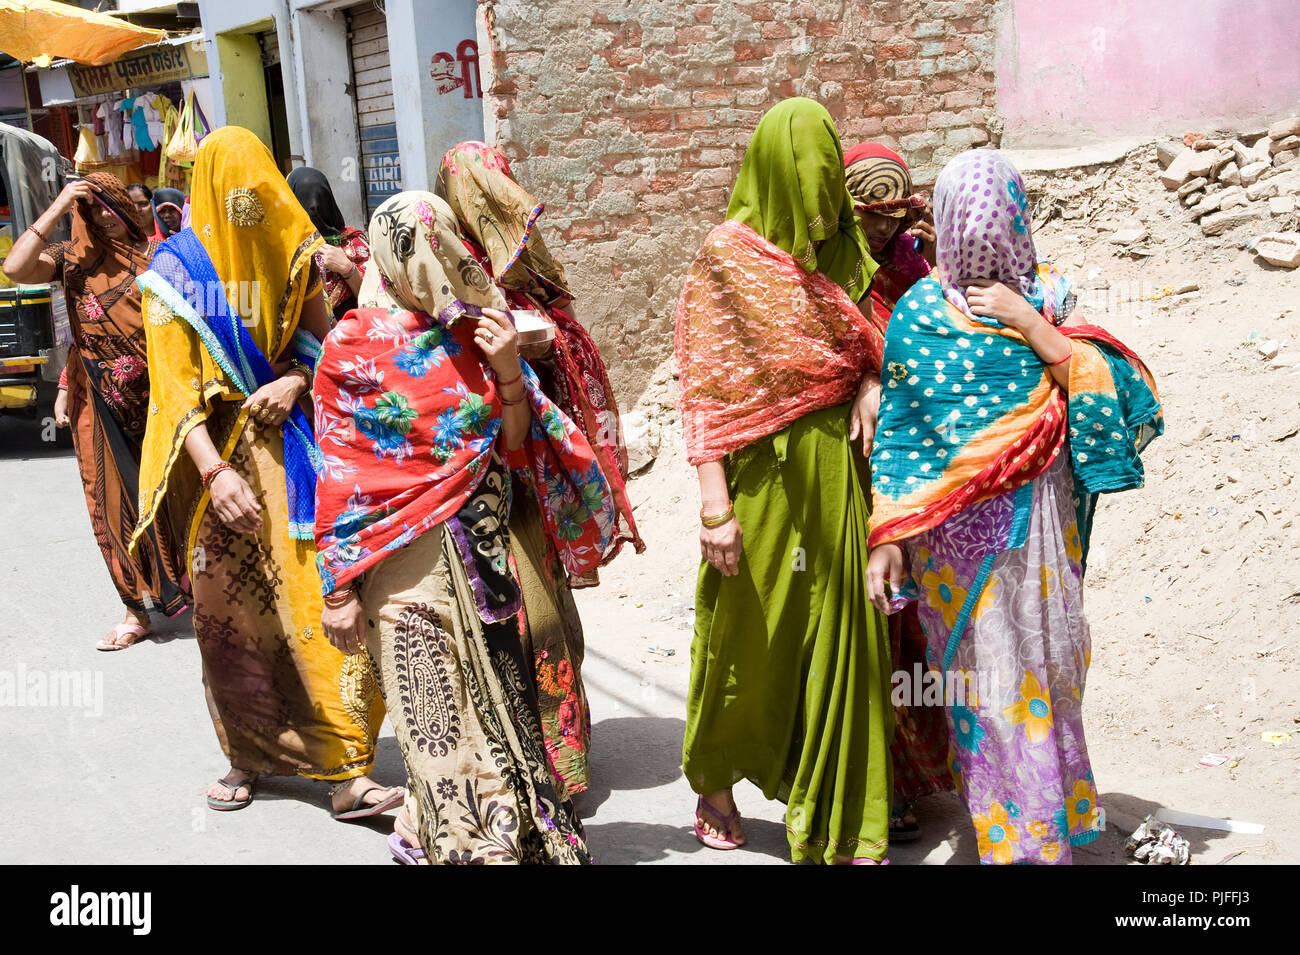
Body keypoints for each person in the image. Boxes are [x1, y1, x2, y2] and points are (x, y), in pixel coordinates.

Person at [865, 148, 1163, 864]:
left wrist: (1030, 322)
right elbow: (904, 435)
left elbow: (1105, 390)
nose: (984, 239)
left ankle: (1041, 822)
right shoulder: (919, 319)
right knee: (988, 685)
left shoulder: (1048, 298)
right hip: (956, 555)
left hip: (1037, 541)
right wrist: (889, 537)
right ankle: (1016, 839)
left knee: (1048, 673)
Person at [313, 190, 616, 864]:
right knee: (439, 742)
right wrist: (336, 590)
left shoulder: (482, 336)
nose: (432, 261)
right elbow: (342, 476)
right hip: (401, 588)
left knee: (501, 726)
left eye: (439, 243)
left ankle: (479, 843)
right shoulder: (349, 346)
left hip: (487, 573)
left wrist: (510, 370)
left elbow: (514, 454)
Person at [130, 126, 397, 818]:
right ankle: (249, 755)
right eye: (238, 197)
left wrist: (297, 382)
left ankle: (347, 768)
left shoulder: (291, 258)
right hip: (216, 465)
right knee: (233, 620)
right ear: (212, 196)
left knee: (319, 604)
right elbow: (174, 393)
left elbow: (323, 345)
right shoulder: (172, 275)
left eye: (260, 195)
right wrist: (217, 475)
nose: (251, 209)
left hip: (297, 459)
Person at [674, 98, 894, 864]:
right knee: (748, 632)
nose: (820, 200)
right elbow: (704, 387)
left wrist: (869, 384)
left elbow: (872, 349)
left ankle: (844, 815)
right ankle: (714, 779)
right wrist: (714, 507)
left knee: (845, 634)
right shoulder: (724, 259)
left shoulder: (842, 251)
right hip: (755, 476)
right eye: (808, 180)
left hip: (836, 467)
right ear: (772, 172)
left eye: (828, 179)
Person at [436, 140, 644, 796]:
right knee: (508, 624)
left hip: (534, 470)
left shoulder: (530, 268)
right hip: (471, 479)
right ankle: (520, 768)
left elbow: (567, 334)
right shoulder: (435, 271)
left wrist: (541, 349)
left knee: (549, 614)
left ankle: (560, 759)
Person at [3, 172, 189, 649]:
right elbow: (15, 267)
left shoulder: (160, 258)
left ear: (129, 208)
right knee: (109, 507)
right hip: (97, 405)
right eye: (92, 207)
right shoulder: (71, 262)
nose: (103, 213)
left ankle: (196, 592)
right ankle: (136, 610)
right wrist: (62, 203)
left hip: (161, 400)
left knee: (173, 499)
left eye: (111, 203)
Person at [843, 142, 952, 841]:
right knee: (872, 620)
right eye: (868, 216)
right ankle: (878, 776)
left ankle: (921, 768)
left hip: (919, 468)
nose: (881, 230)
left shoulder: (916, 268)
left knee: (919, 624)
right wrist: (863, 380)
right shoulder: (829, 273)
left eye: (892, 216)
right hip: (853, 470)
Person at [287, 166, 369, 324]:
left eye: (319, 198)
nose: (313, 207)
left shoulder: (353, 242)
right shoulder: (285, 251)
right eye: (304, 200)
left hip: (350, 339)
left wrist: (348, 269)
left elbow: (378, 301)